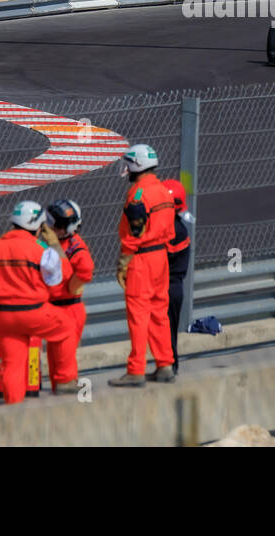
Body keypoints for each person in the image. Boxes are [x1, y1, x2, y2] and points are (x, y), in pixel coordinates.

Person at [0, 200, 78, 403]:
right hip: (34, 311)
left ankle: (14, 410)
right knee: (67, 327)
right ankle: (65, 380)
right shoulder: (40, 250)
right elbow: (63, 276)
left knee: (12, 365)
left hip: (3, 316)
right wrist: (55, 245)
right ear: (37, 226)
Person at [110, 143, 176, 386]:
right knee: (160, 312)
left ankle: (136, 370)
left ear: (136, 165)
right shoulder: (162, 190)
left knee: (138, 315)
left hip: (141, 258)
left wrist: (123, 262)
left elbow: (134, 233)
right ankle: (165, 365)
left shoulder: (138, 194)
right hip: (161, 258)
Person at [42, 198, 94, 395]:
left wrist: (72, 287)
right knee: (55, 363)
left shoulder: (73, 246)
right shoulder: (54, 240)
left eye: (58, 225)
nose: (52, 227)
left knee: (65, 367)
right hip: (55, 307)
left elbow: (86, 270)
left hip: (69, 308)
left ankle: (72, 399)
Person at [162, 178, 191, 373]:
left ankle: (170, 366)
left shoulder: (175, 230)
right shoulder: (176, 225)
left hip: (170, 286)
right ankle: (166, 365)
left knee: (168, 330)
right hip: (170, 286)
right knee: (164, 330)